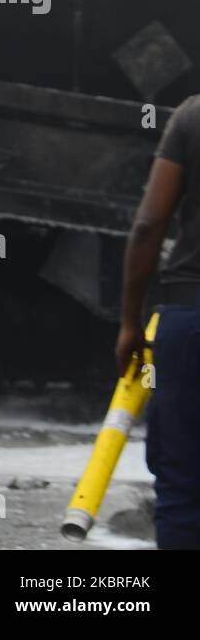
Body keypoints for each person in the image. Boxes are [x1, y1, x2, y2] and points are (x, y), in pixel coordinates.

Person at [119, 94, 200, 549]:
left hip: (189, 319)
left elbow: (149, 225)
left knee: (181, 487)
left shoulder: (192, 115)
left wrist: (130, 322)